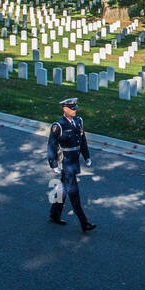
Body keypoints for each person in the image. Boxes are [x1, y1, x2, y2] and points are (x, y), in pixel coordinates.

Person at [47, 97, 96, 231]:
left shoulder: (78, 121)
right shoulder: (58, 125)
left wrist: (87, 156)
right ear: (65, 109)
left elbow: (82, 140)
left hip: (74, 162)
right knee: (74, 195)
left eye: (75, 108)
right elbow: (52, 146)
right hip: (66, 163)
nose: (75, 110)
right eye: (72, 108)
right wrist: (54, 164)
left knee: (62, 190)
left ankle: (54, 214)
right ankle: (84, 223)